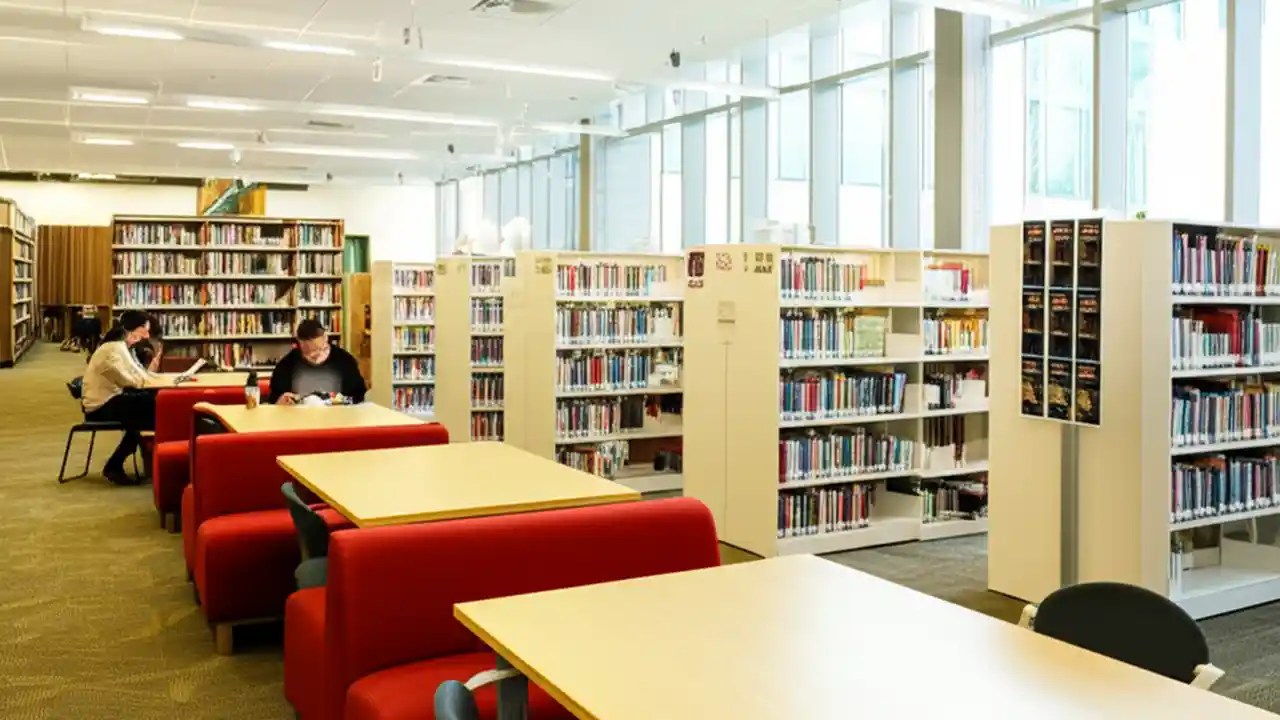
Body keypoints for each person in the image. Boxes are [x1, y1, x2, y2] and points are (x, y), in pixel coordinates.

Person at [81, 310, 156, 485]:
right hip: (100, 407)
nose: (147, 335)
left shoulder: (120, 346)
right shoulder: (114, 348)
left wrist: (146, 378)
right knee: (151, 409)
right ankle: (117, 465)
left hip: (109, 400)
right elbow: (129, 380)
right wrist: (148, 379)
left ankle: (128, 463)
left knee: (146, 410)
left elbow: (138, 376)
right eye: (145, 330)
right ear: (135, 330)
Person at [268, 319, 366, 405]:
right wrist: (280, 401)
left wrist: (341, 401)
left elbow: (358, 396)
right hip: (299, 421)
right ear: (299, 343)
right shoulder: (286, 364)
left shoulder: (345, 361)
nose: (313, 356)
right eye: (307, 352)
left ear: (325, 338)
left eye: (318, 350)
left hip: (337, 419)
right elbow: (274, 398)